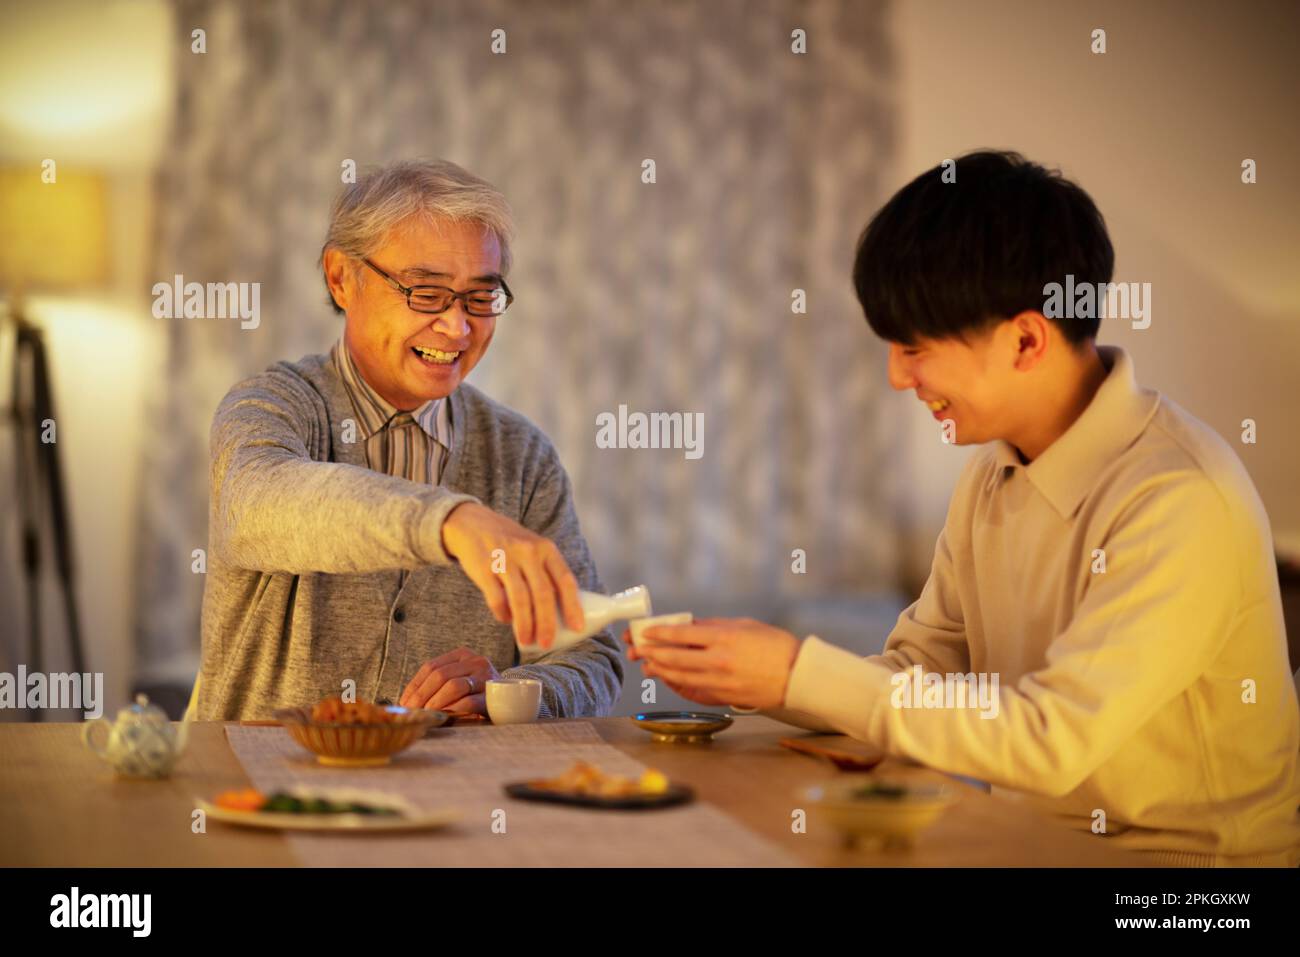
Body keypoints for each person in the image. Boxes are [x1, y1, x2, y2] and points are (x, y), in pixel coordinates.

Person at [629, 151, 1300, 865]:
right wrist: (760, 674)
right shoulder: (993, 473)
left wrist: (800, 671)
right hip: (1028, 843)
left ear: (1025, 338)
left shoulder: (1177, 496)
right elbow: (922, 673)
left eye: (914, 348)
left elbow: (1050, 737)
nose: (896, 376)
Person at [197, 159, 621, 720]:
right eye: (425, 292)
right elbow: (259, 503)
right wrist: (450, 522)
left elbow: (590, 653)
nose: (457, 327)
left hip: (454, 804)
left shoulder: (521, 456)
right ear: (341, 278)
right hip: (265, 794)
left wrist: (510, 693)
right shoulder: (273, 406)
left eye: (480, 297)